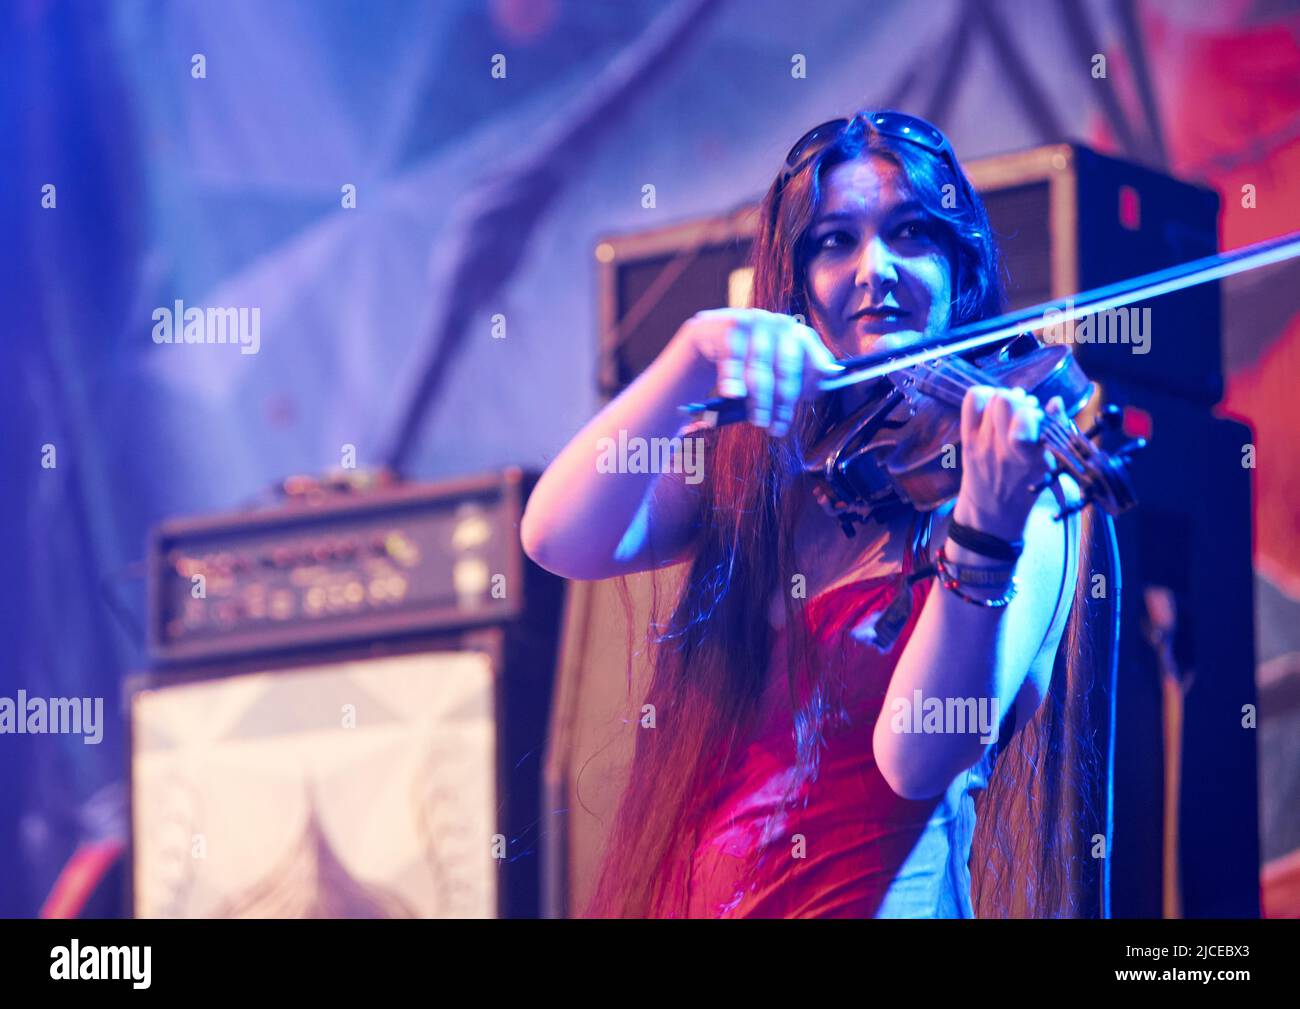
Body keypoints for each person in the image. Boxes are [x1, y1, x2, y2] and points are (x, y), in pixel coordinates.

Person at [522, 110, 1106, 918]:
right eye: (835, 240)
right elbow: (557, 535)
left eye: (911, 234)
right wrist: (687, 360)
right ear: (794, 280)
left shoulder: (1018, 490)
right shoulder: (765, 465)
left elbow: (917, 753)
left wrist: (985, 529)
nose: (876, 269)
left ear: (960, 264)